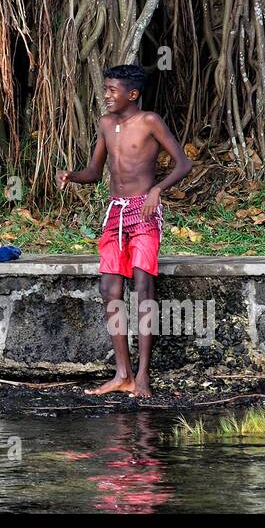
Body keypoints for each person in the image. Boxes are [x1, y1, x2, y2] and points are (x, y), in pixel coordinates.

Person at [56, 64, 192, 398]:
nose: (106, 96)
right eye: (105, 90)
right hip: (115, 214)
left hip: (144, 212)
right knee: (109, 290)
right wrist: (72, 175)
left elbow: (183, 164)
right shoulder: (105, 124)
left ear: (132, 94)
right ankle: (122, 373)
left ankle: (143, 376)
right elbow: (94, 171)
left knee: (143, 288)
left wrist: (158, 190)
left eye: (112, 91)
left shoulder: (149, 122)